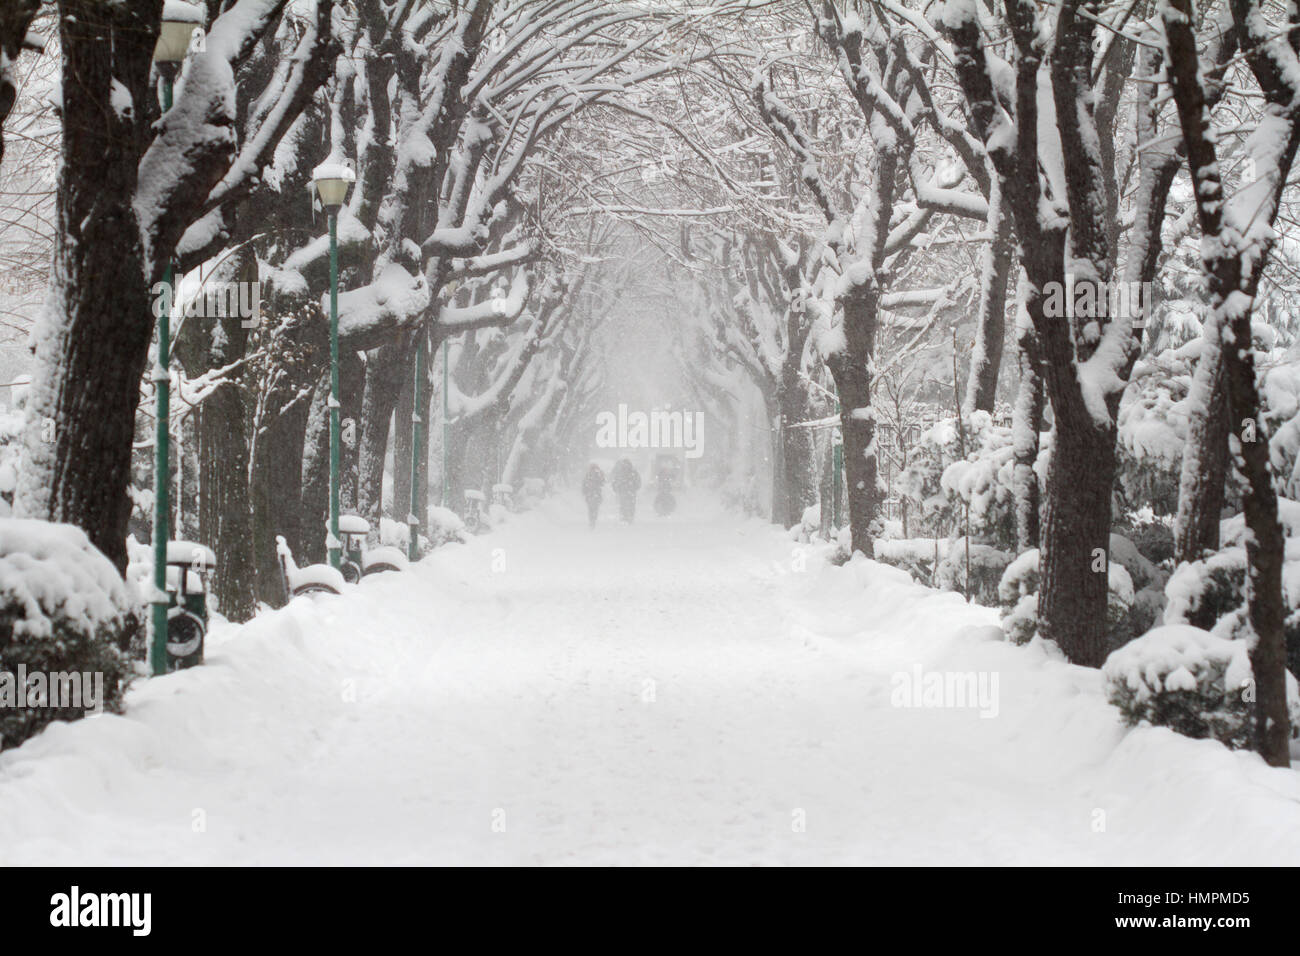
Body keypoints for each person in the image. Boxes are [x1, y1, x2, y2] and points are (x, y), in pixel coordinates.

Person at [611, 458, 641, 523]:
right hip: (630, 490)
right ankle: (630, 517)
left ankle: (624, 517)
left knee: (623, 504)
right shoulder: (633, 471)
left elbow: (615, 481)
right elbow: (638, 481)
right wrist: (635, 487)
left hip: (623, 490)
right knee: (630, 504)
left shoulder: (621, 471)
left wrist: (616, 488)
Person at [582, 464, 605, 529]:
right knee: (595, 508)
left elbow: (584, 484)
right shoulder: (598, 474)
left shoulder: (588, 475)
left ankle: (591, 520)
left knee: (590, 508)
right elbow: (602, 483)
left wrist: (584, 492)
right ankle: (593, 519)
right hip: (596, 494)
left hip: (589, 494)